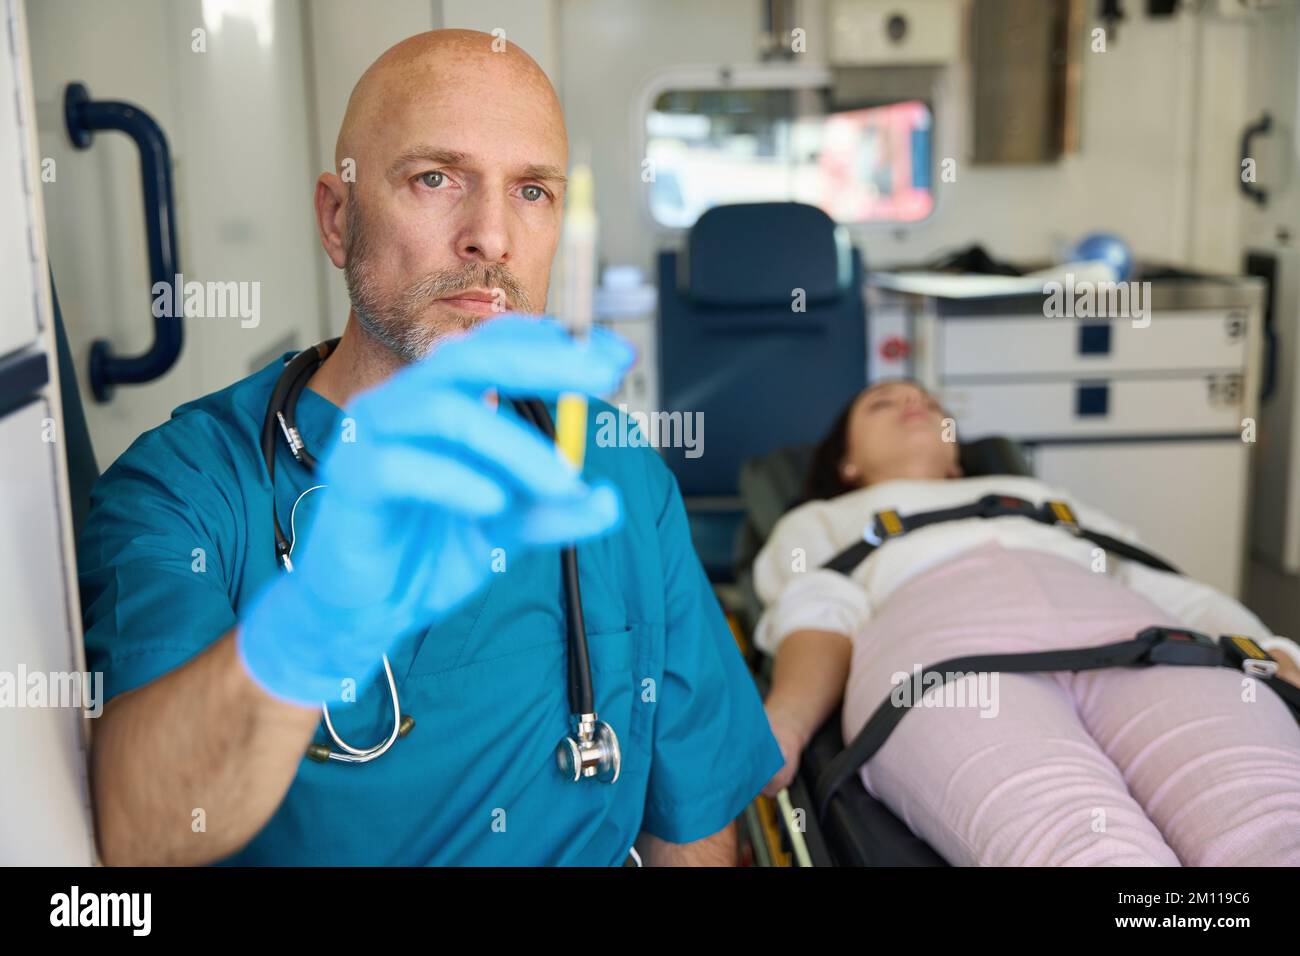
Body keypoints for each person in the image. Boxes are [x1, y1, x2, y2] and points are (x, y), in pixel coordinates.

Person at [79, 29, 781, 866]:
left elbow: (691, 827)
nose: (491, 236)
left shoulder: (614, 465)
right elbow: (142, 833)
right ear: (338, 220)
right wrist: (316, 622)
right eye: (435, 178)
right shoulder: (187, 488)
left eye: (531, 190)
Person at [755, 379, 1300, 866]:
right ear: (845, 462)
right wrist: (786, 721)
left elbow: (1166, 588)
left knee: (1272, 829)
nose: (912, 405)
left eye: (927, 401)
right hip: (948, 655)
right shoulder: (819, 521)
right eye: (882, 402)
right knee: (1084, 849)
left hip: (1138, 636)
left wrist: (1275, 652)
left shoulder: (1044, 500)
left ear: (956, 456)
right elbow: (818, 616)